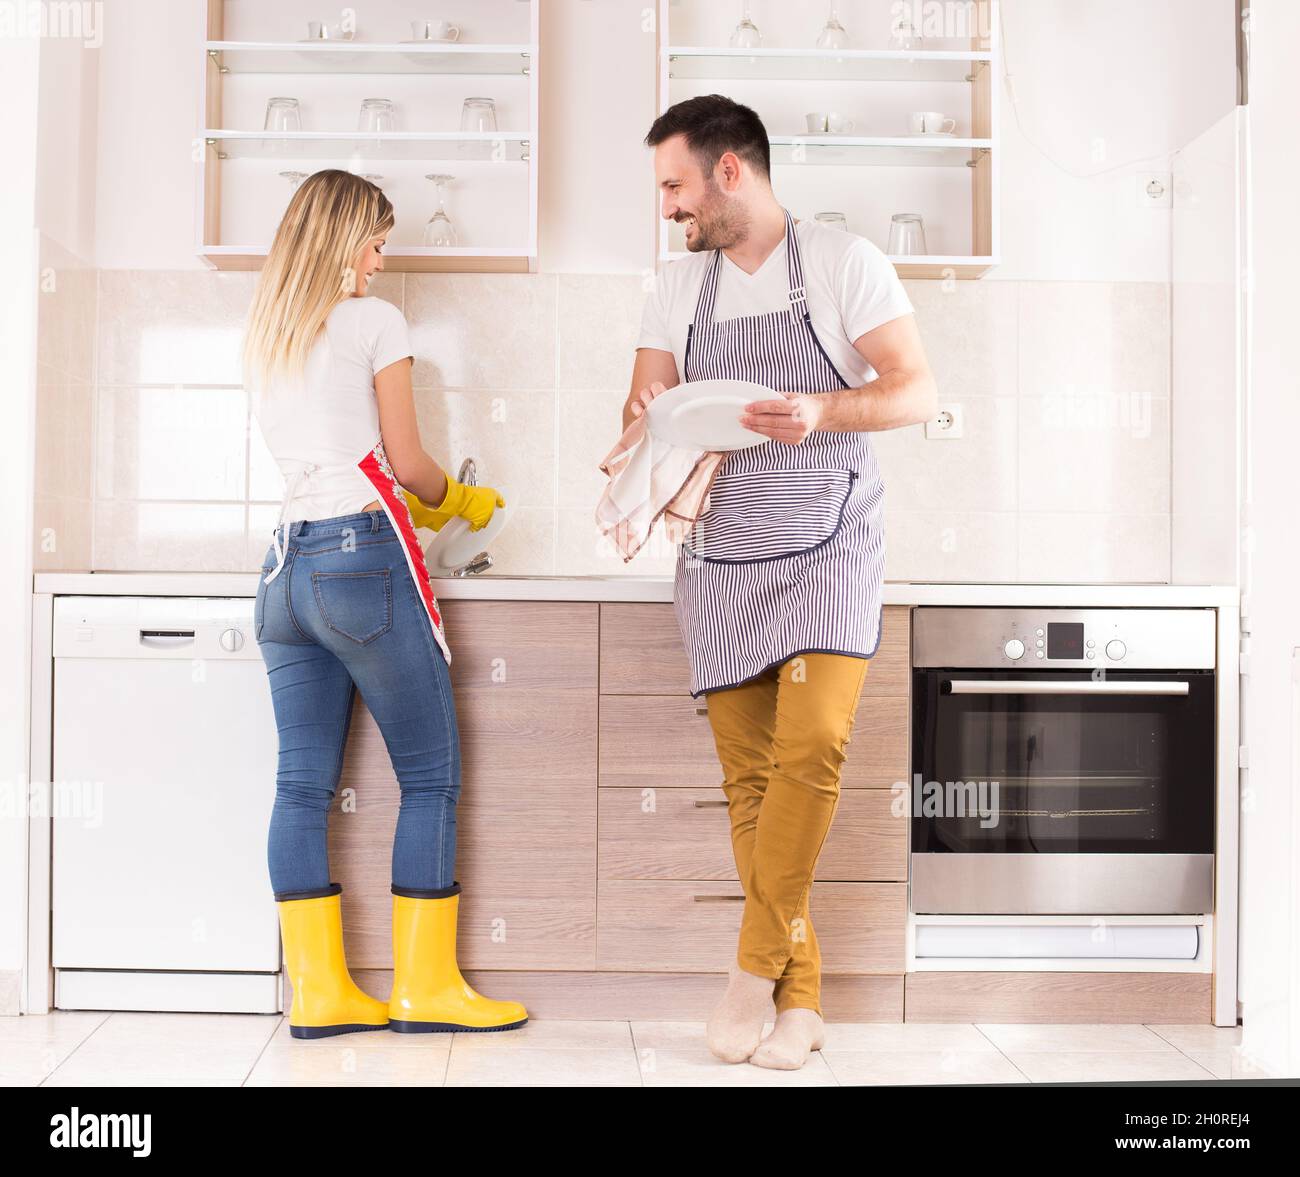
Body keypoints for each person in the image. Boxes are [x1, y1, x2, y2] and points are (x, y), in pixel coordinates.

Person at [627, 96, 939, 1069]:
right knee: (749, 784)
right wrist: (644, 417)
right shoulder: (676, 289)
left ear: (729, 171)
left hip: (829, 545)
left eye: (674, 185)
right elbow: (642, 420)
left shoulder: (844, 263)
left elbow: (916, 390)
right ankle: (799, 1005)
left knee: (813, 748)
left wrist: (823, 407)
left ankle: (748, 972)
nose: (668, 208)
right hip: (723, 556)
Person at [244, 168, 526, 1039]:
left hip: (282, 572)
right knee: (431, 775)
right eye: (374, 239)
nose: (379, 256)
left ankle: (320, 993)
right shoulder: (375, 320)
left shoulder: (265, 332)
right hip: (356, 560)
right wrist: (462, 501)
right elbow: (407, 465)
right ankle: (426, 989)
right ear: (341, 240)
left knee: (301, 785)